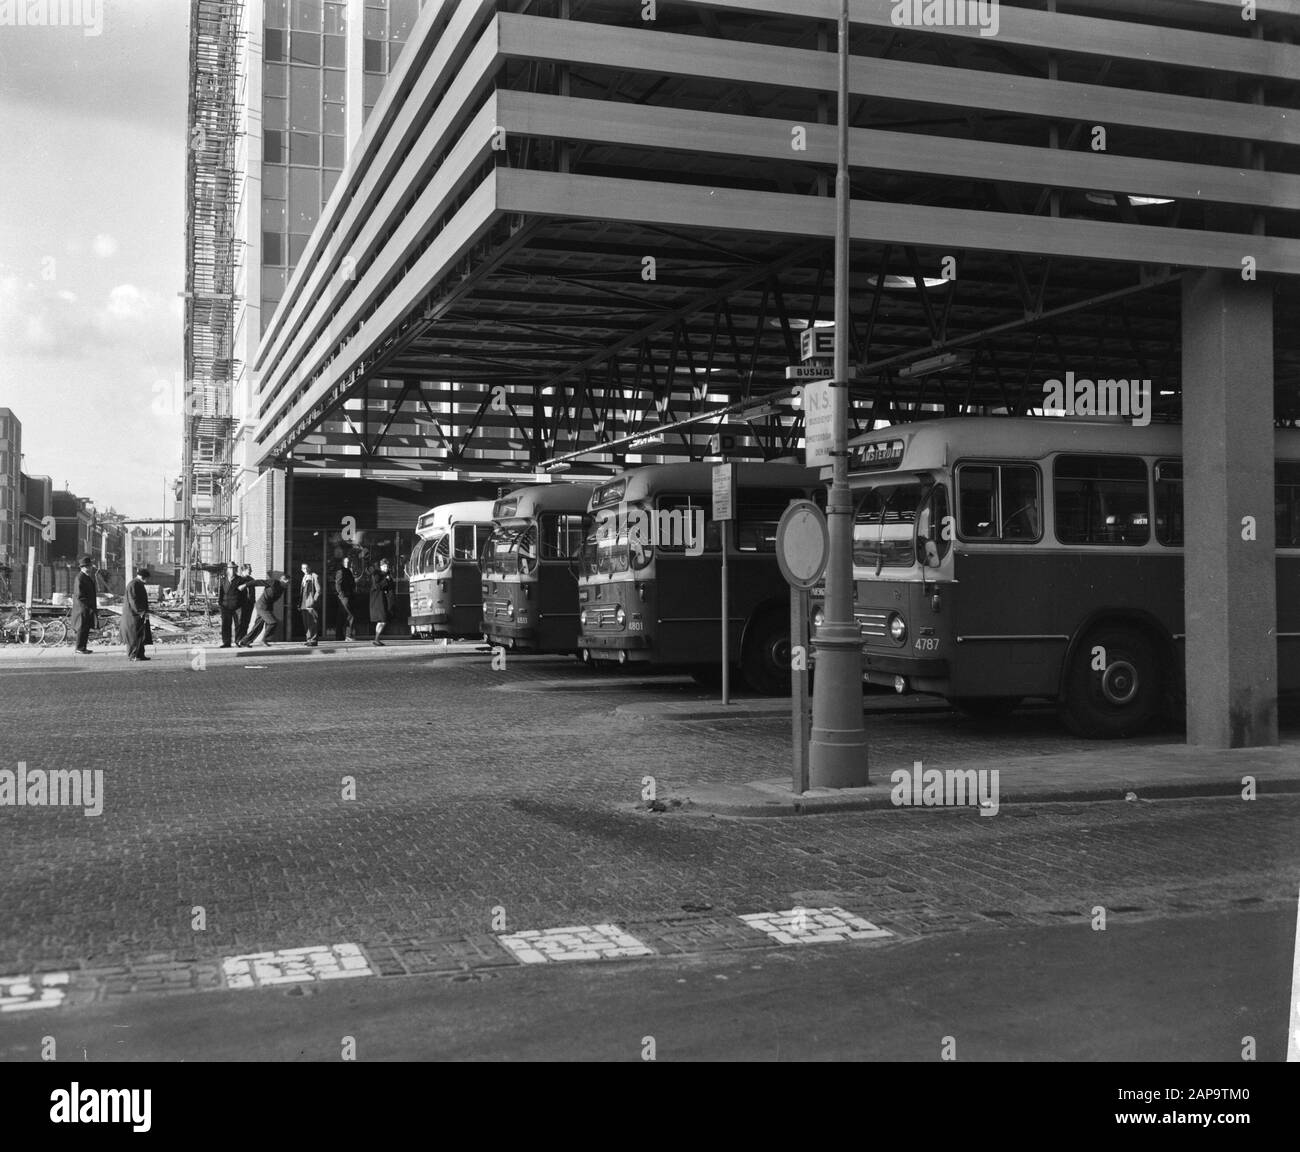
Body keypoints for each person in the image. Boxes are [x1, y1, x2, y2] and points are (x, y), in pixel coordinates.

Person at [237, 571, 289, 647]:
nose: (288, 584)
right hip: (262, 606)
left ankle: (244, 642)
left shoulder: (282, 589)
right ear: (283, 580)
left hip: (266, 607)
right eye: (287, 582)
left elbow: (272, 600)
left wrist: (270, 610)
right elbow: (258, 582)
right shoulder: (274, 582)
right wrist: (245, 585)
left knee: (258, 626)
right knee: (272, 622)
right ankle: (264, 640)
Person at [121, 566, 152, 662]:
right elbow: (133, 600)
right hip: (133, 615)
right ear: (144, 577)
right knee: (133, 636)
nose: (147, 580)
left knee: (140, 635)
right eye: (147, 578)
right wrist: (141, 611)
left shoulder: (138, 584)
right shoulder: (133, 584)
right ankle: (132, 655)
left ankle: (140, 654)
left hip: (138, 615)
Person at [71, 555, 98, 655]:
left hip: (86, 607)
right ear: (83, 567)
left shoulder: (86, 577)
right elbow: (79, 595)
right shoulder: (80, 578)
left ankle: (83, 647)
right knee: (81, 628)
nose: (90, 568)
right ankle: (79, 647)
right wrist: (87, 605)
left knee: (85, 628)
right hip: (82, 608)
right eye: (88, 566)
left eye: (90, 566)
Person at [216, 561, 244, 648]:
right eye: (230, 568)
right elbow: (221, 592)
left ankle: (238, 641)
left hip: (237, 606)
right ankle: (226, 642)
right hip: (225, 606)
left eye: (233, 568)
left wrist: (241, 604)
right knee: (226, 624)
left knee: (238, 624)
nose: (232, 570)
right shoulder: (223, 580)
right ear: (227, 570)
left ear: (236, 570)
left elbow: (243, 594)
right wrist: (220, 604)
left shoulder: (240, 580)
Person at [369, 558, 394, 646]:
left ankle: (377, 639)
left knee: (382, 620)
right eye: (384, 566)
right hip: (377, 601)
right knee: (382, 620)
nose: (386, 567)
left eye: (387, 566)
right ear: (380, 566)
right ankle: (376, 638)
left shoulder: (387, 574)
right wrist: (386, 580)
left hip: (383, 600)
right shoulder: (377, 574)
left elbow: (389, 587)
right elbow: (377, 586)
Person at [334, 557, 356, 641]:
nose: (349, 563)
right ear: (343, 563)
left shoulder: (347, 571)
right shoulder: (341, 571)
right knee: (350, 616)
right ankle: (349, 635)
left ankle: (339, 636)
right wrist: (342, 594)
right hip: (344, 597)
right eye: (346, 562)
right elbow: (338, 585)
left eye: (349, 561)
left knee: (341, 616)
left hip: (345, 596)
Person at [299, 562, 321, 647]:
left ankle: (313, 640)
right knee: (306, 623)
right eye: (304, 568)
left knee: (312, 622)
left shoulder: (314, 576)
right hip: (303, 603)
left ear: (310, 568)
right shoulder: (304, 577)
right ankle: (309, 639)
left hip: (310, 603)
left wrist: (313, 601)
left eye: (307, 568)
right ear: (302, 570)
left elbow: (318, 591)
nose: (306, 570)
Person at [236, 563, 256, 643]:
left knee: (247, 622)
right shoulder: (238, 580)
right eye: (249, 569)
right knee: (240, 622)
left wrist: (253, 601)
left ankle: (244, 640)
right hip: (241, 605)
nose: (251, 571)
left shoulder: (251, 579)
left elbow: (252, 592)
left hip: (250, 604)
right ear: (244, 570)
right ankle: (238, 639)